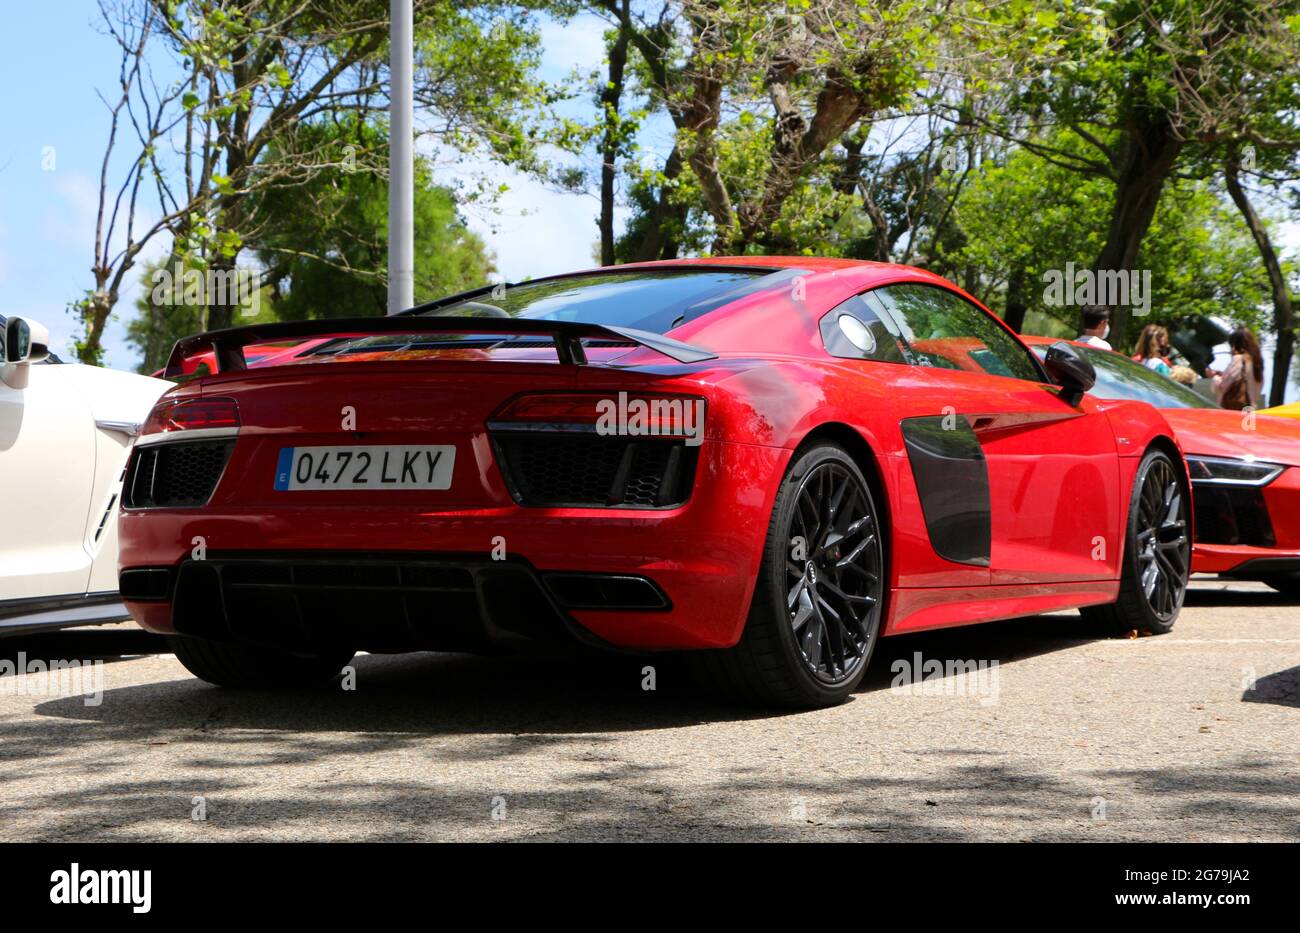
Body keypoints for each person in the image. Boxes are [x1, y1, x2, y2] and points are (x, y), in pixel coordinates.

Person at [1212, 327, 1264, 410]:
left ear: (1235, 344)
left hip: (1232, 411)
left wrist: (1216, 378)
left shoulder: (1239, 358)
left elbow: (1223, 386)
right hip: (1249, 410)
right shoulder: (1257, 364)